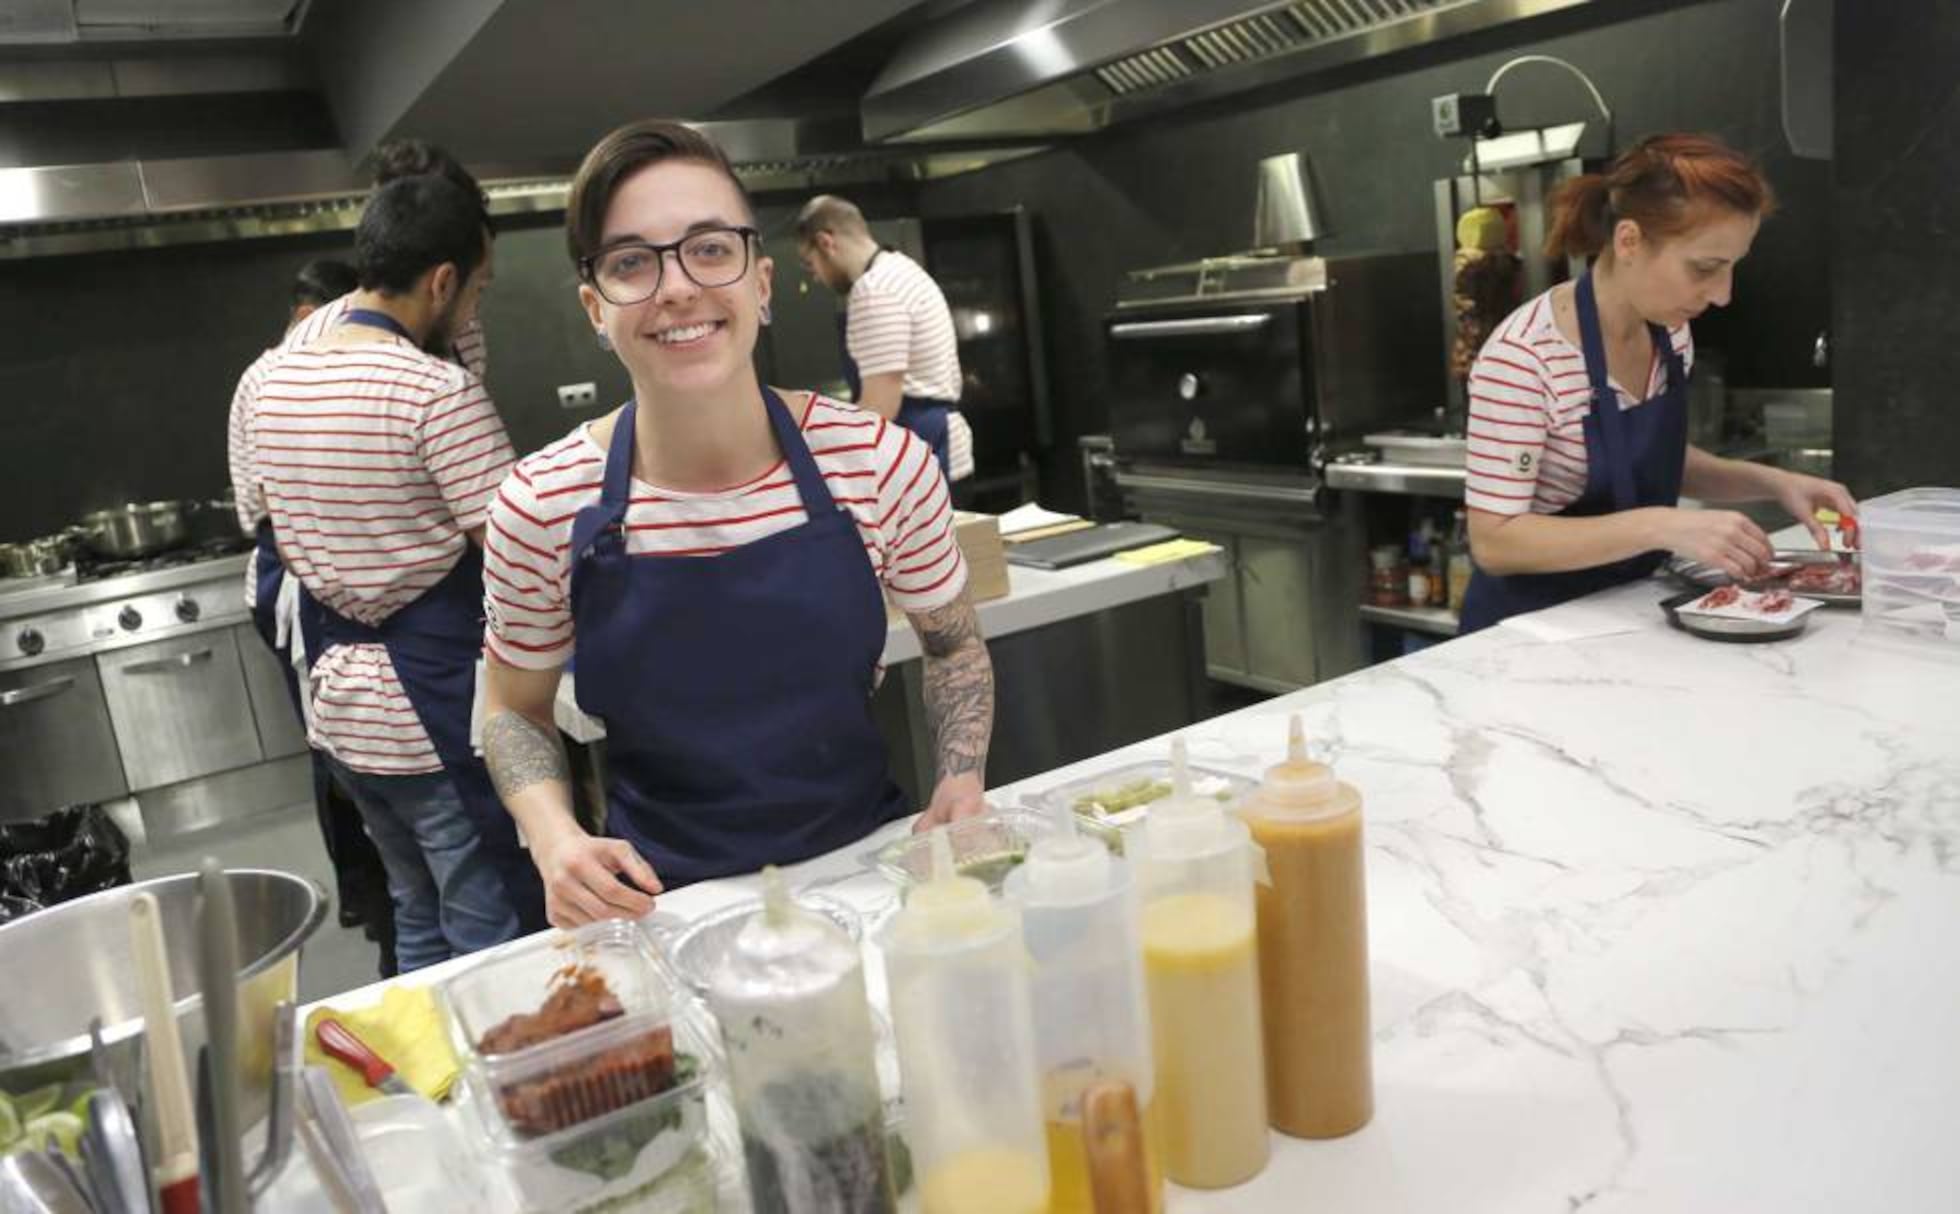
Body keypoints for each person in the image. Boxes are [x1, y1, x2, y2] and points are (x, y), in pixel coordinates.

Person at [479, 120, 994, 929]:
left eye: (709, 249)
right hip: (665, 906)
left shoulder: (881, 463)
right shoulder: (540, 505)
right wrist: (554, 840)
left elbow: (954, 644)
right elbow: (512, 708)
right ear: (593, 308)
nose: (677, 287)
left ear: (759, 282)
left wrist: (961, 777)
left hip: (869, 876)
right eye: (631, 263)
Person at [256, 174, 541, 969]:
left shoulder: (276, 378)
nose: (475, 313)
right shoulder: (433, 393)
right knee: (487, 915)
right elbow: (516, 552)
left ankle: (431, 1081)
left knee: (414, 906)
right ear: (442, 280)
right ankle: (498, 1073)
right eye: (477, 289)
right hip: (427, 710)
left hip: (339, 705)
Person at [1459, 133, 1856, 632]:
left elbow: (1648, 460)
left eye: (1732, 267)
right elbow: (1495, 541)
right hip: (1526, 634)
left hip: (1625, 615)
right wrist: (1662, 525)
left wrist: (1775, 484)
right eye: (1705, 268)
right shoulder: (1524, 358)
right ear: (1629, 241)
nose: (1723, 295)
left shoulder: (1670, 332)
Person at [224, 257, 399, 966]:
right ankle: (372, 887)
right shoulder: (295, 376)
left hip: (296, 577)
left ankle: (372, 894)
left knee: (339, 744)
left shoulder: (263, 376)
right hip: (300, 582)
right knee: (348, 748)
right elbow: (265, 507)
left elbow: (247, 504)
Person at [794, 194, 973, 484]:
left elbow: (880, 407)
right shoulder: (901, 269)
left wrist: (819, 459)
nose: (815, 277)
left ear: (826, 242)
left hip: (921, 459)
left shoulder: (876, 291)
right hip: (938, 453)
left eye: (810, 263)